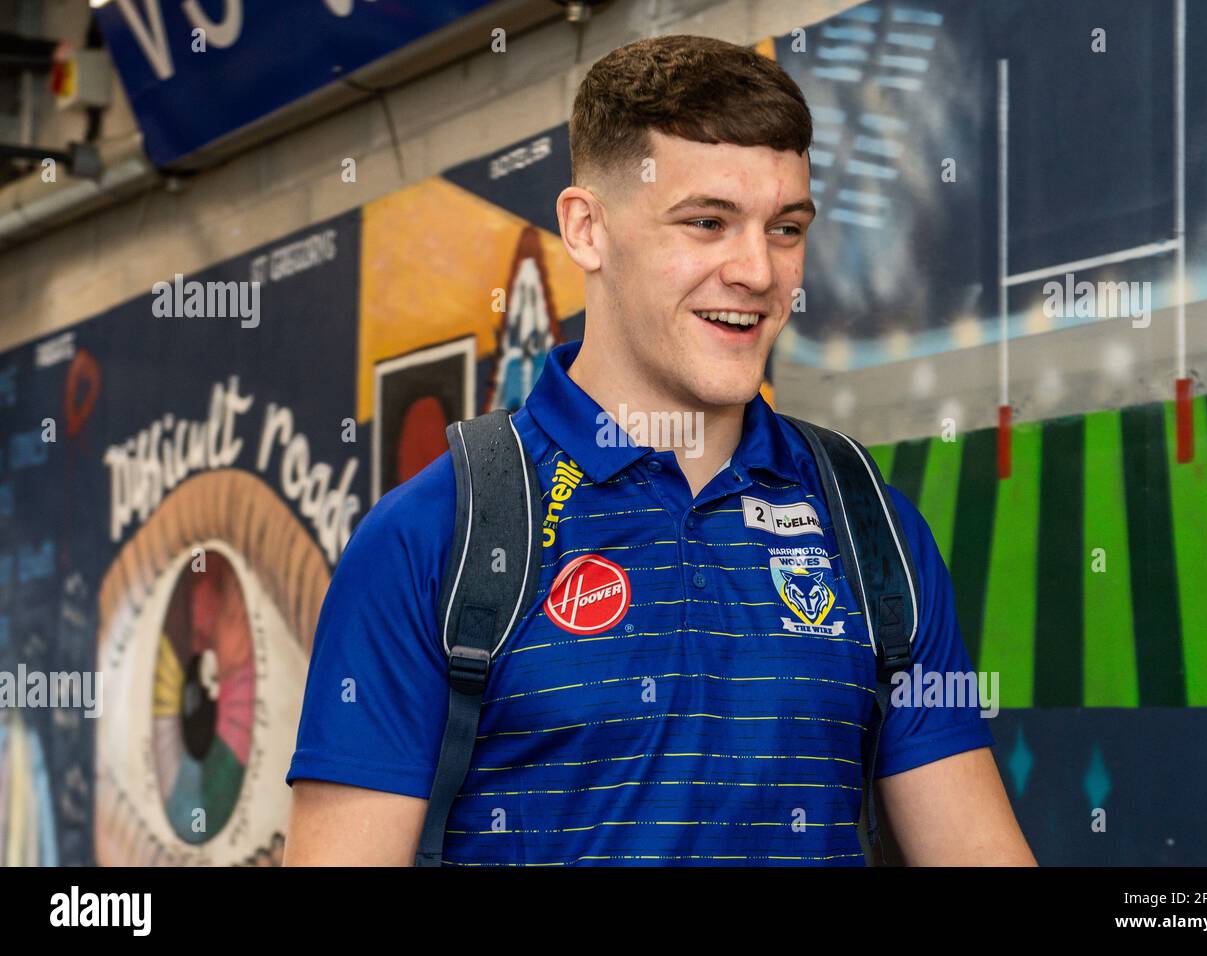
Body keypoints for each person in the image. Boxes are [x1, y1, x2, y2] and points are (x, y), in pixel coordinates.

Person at [283, 33, 1036, 866]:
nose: (756, 270)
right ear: (587, 229)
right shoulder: (432, 538)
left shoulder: (871, 527)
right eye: (707, 223)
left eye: (785, 228)